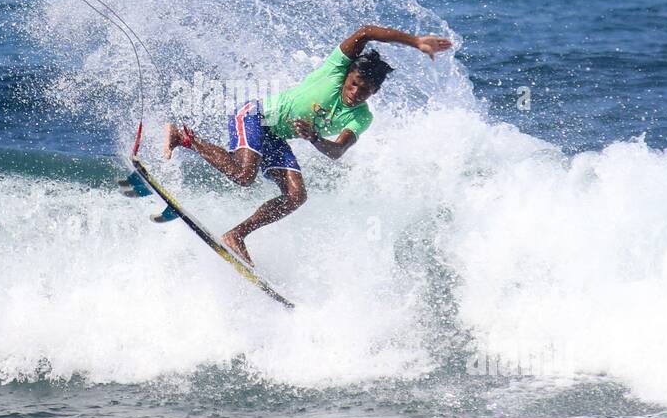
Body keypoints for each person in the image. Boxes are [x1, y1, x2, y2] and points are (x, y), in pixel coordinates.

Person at [163, 25, 452, 264]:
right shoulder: (335, 70)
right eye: (353, 84)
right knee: (244, 174)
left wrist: (314, 138)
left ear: (374, 92)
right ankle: (184, 138)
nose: (355, 93)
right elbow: (365, 33)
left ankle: (235, 235)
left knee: (296, 196)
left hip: (275, 136)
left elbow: (338, 151)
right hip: (255, 115)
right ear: (347, 75)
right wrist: (414, 41)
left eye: (364, 91)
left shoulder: (361, 117)